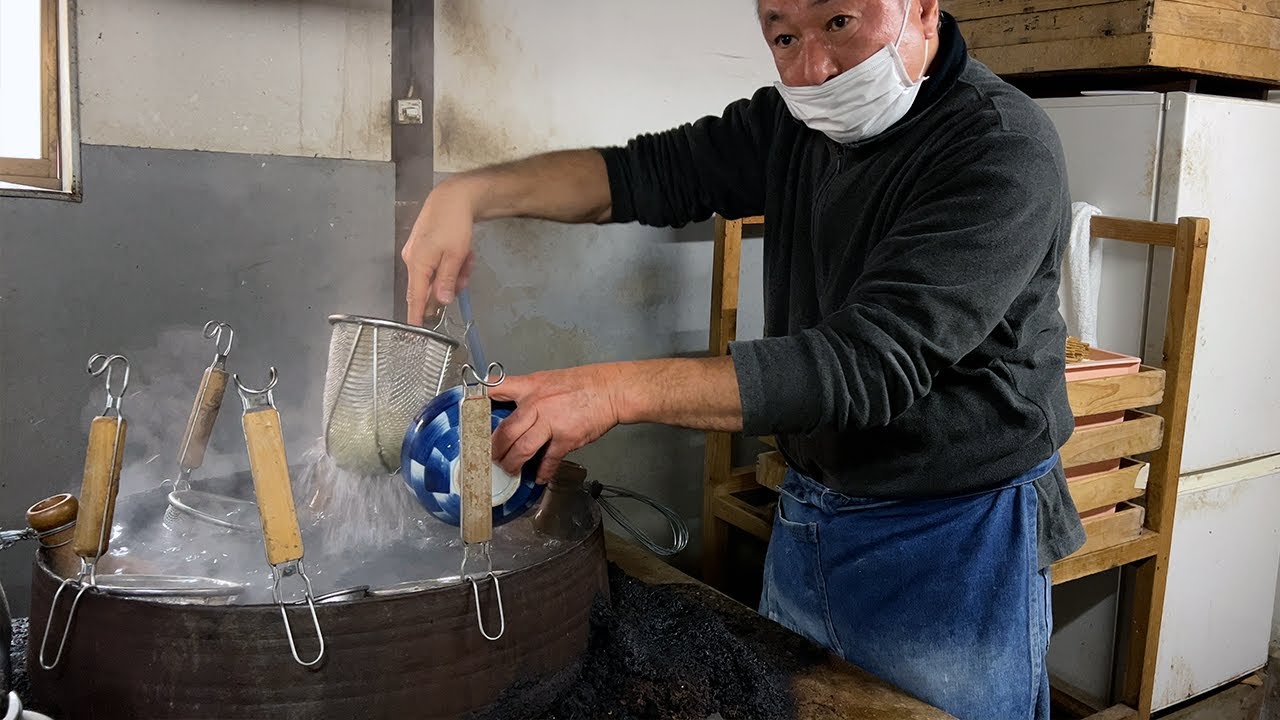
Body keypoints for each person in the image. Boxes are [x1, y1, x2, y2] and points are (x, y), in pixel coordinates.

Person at [402, 0, 1087, 717]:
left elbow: (867, 364)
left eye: (841, 22)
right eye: (784, 36)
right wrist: (469, 192)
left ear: (921, 8)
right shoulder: (794, 123)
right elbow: (646, 173)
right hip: (812, 508)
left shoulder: (1000, 148)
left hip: (956, 534)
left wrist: (610, 391)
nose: (814, 69)